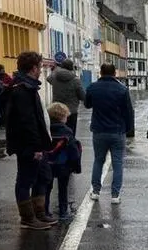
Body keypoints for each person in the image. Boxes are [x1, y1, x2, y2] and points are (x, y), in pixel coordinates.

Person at [5, 51, 55, 230]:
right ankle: (27, 218)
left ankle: (39, 212)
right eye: (40, 67)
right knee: (26, 179)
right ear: (34, 68)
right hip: (28, 144)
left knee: (42, 177)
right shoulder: (22, 90)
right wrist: (35, 147)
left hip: (36, 142)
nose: (41, 70)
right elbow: (27, 122)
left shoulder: (28, 87)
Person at [85, 63, 134, 204]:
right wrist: (128, 129)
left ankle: (95, 191)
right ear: (114, 73)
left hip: (99, 130)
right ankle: (115, 195)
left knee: (98, 160)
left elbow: (87, 104)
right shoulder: (122, 89)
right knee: (118, 163)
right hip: (117, 131)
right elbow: (128, 112)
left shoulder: (93, 87)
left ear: (100, 72)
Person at [44, 102, 82, 221]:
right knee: (63, 189)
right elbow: (73, 151)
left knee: (47, 188)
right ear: (62, 117)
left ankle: (45, 211)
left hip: (48, 164)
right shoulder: (67, 131)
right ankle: (63, 211)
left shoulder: (46, 130)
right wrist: (75, 166)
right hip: (63, 165)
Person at [46, 60, 85, 135]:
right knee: (70, 134)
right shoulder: (75, 80)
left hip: (56, 110)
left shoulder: (55, 77)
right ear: (71, 68)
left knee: (57, 134)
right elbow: (82, 96)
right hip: (71, 112)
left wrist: (57, 69)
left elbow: (48, 78)